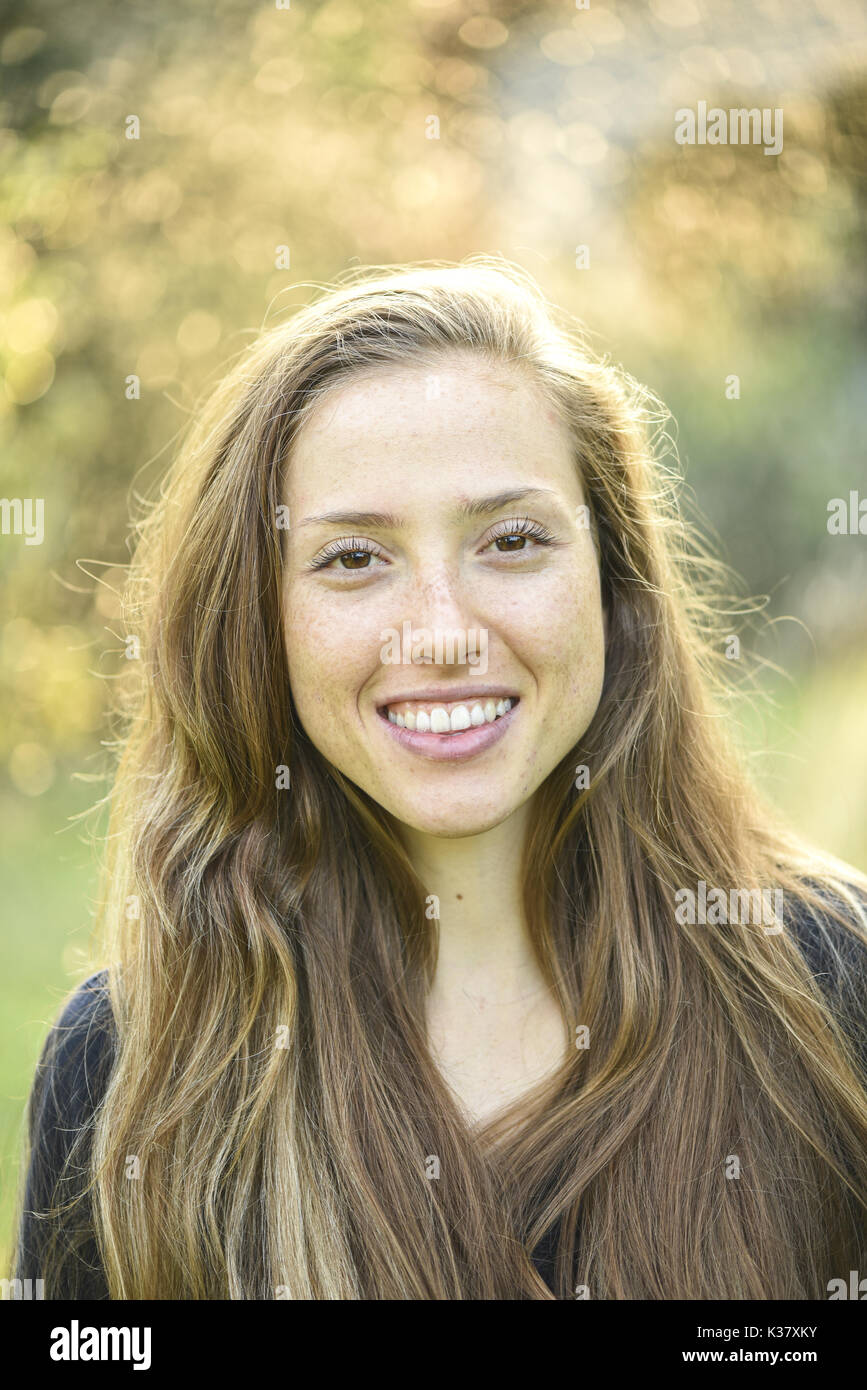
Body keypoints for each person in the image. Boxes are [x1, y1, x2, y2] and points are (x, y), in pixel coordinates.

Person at [13, 258, 867, 1299]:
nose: (445, 633)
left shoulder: (827, 987)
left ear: (613, 577)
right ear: (257, 618)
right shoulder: (129, 1071)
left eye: (510, 541)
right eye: (354, 558)